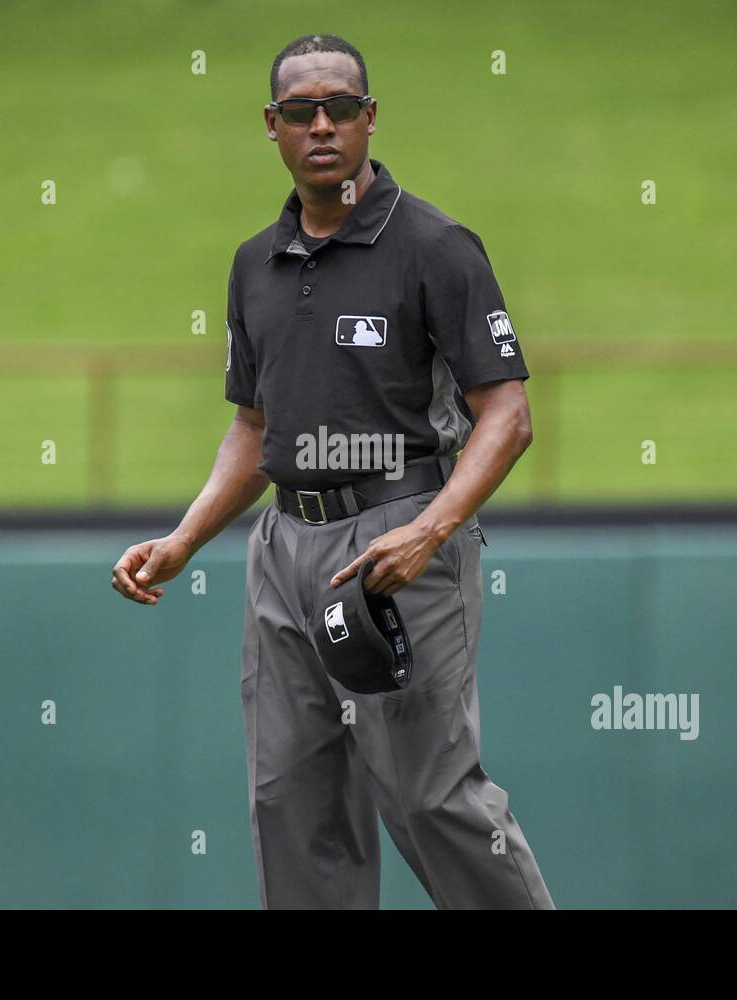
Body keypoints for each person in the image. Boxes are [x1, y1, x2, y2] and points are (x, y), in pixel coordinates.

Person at [112, 33, 554, 909]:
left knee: (431, 798)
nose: (324, 125)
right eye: (304, 111)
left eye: (342, 108)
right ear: (272, 127)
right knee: (292, 802)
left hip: (400, 539)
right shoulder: (254, 265)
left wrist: (429, 531)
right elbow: (254, 428)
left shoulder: (436, 246)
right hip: (284, 549)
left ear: (370, 119)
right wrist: (184, 539)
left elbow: (507, 416)